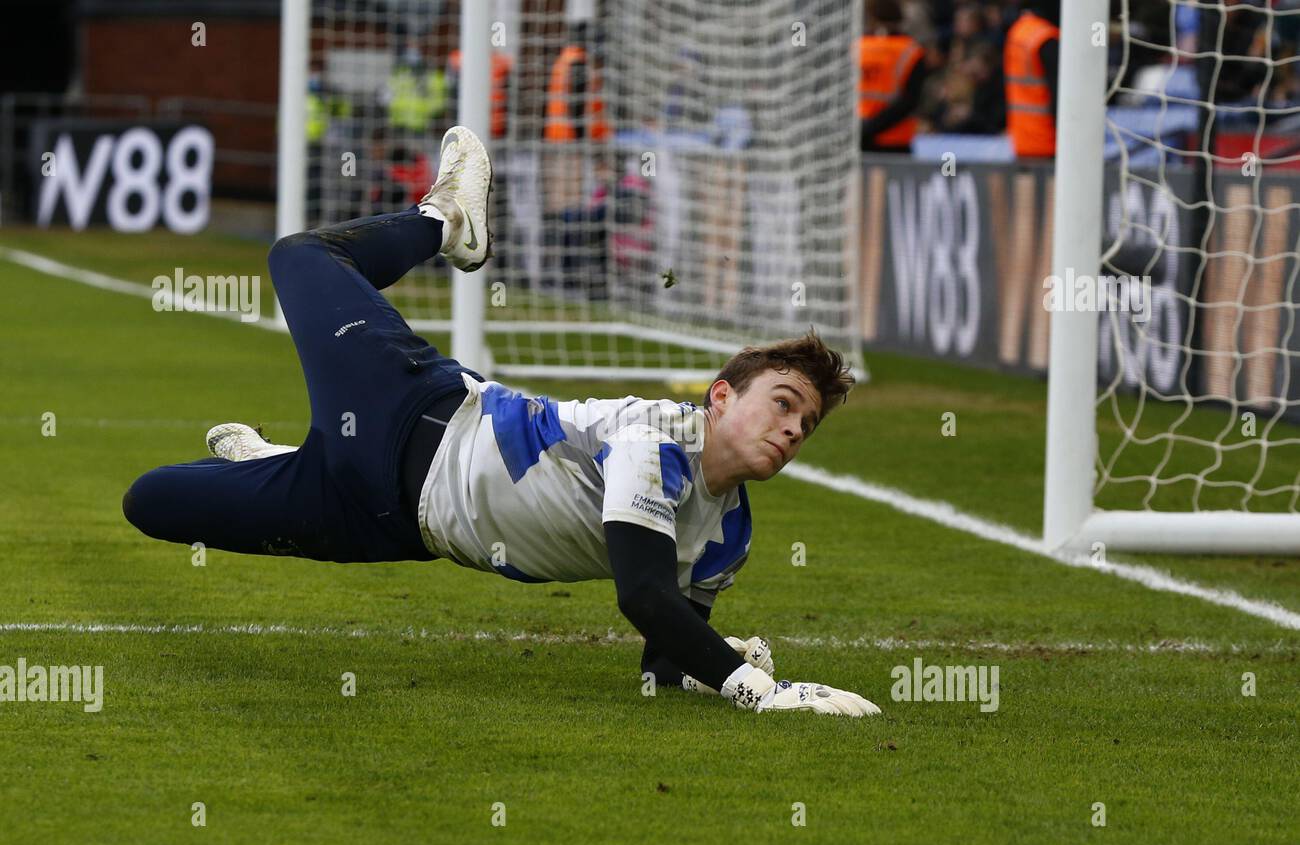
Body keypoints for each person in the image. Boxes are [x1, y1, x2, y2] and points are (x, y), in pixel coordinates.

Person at [121, 127, 880, 718]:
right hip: (407, 409)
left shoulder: (730, 538)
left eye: (806, 423)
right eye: (783, 401)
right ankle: (442, 218)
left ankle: (281, 456)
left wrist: (715, 659)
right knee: (301, 256)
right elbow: (643, 596)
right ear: (720, 397)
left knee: (152, 501)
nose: (792, 427)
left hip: (391, 521)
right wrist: (758, 688)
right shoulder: (654, 444)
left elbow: (661, 663)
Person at [858, 0, 929, 153]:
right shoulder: (911, 51)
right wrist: (873, 126)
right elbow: (910, 101)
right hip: (895, 140)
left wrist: (864, 128)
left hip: (858, 136)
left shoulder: (856, 47)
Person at [1004, 0, 1060, 159]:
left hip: (1022, 138)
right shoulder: (1045, 38)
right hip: (1047, 139)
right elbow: (1059, 92)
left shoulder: (1017, 31)